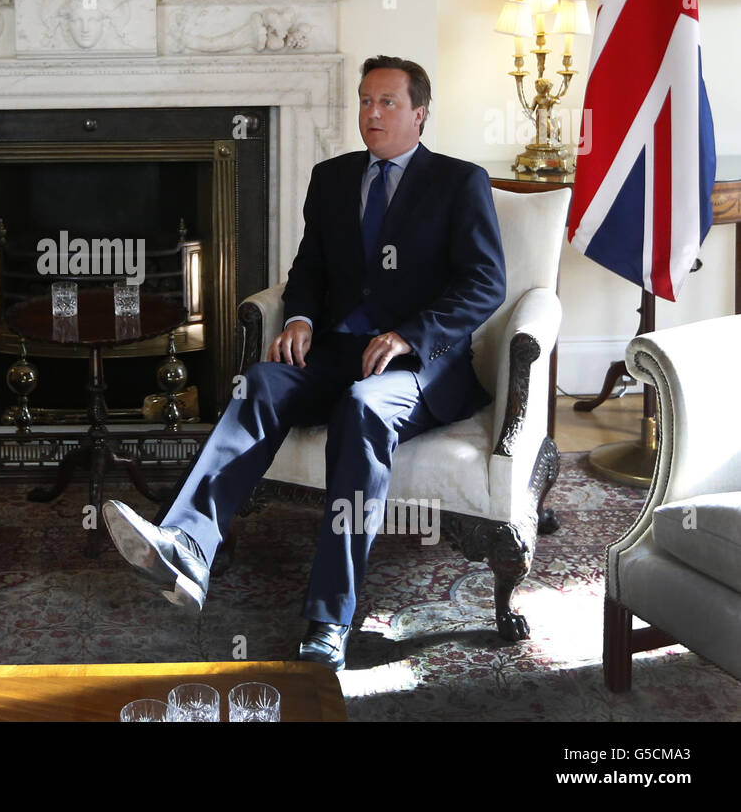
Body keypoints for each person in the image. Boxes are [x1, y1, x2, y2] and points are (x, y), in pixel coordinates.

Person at [102, 56, 507, 670]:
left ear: (420, 113)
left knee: (362, 407)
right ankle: (186, 545)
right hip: (335, 352)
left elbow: (485, 284)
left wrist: (407, 334)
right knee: (261, 381)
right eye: (365, 101)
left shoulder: (460, 181)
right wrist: (298, 318)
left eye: (387, 103)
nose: (371, 114)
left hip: (418, 367)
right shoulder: (332, 178)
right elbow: (310, 271)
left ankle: (329, 620)